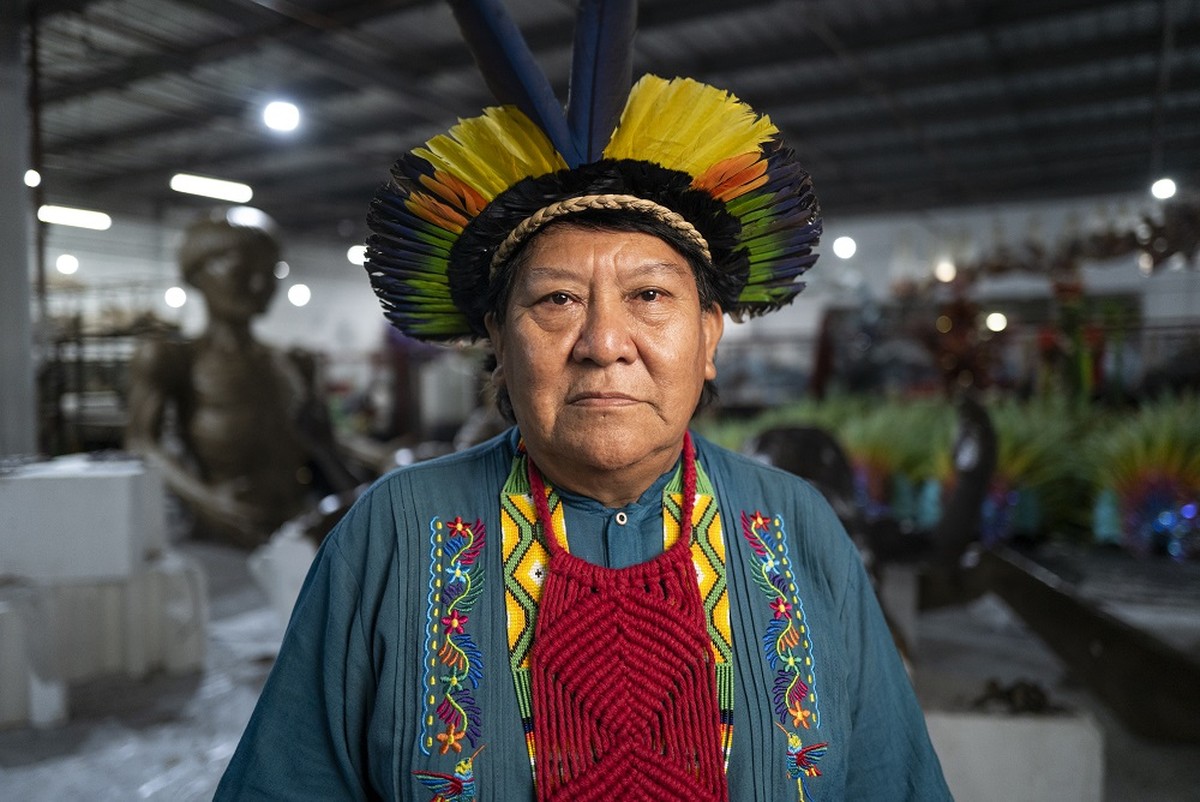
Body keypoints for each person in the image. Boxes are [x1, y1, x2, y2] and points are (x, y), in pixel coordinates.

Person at [215, 1, 950, 798]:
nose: (605, 341)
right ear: (497, 337)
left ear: (709, 337)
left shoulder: (797, 527)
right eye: (558, 301)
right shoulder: (392, 532)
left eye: (650, 297)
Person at [125, 209, 361, 549]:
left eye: (270, 272)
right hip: (221, 538)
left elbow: (325, 440)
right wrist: (206, 501)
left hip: (297, 528)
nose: (259, 285)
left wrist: (382, 459)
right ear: (198, 275)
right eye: (242, 270)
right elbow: (142, 441)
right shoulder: (174, 359)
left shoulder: (292, 363)